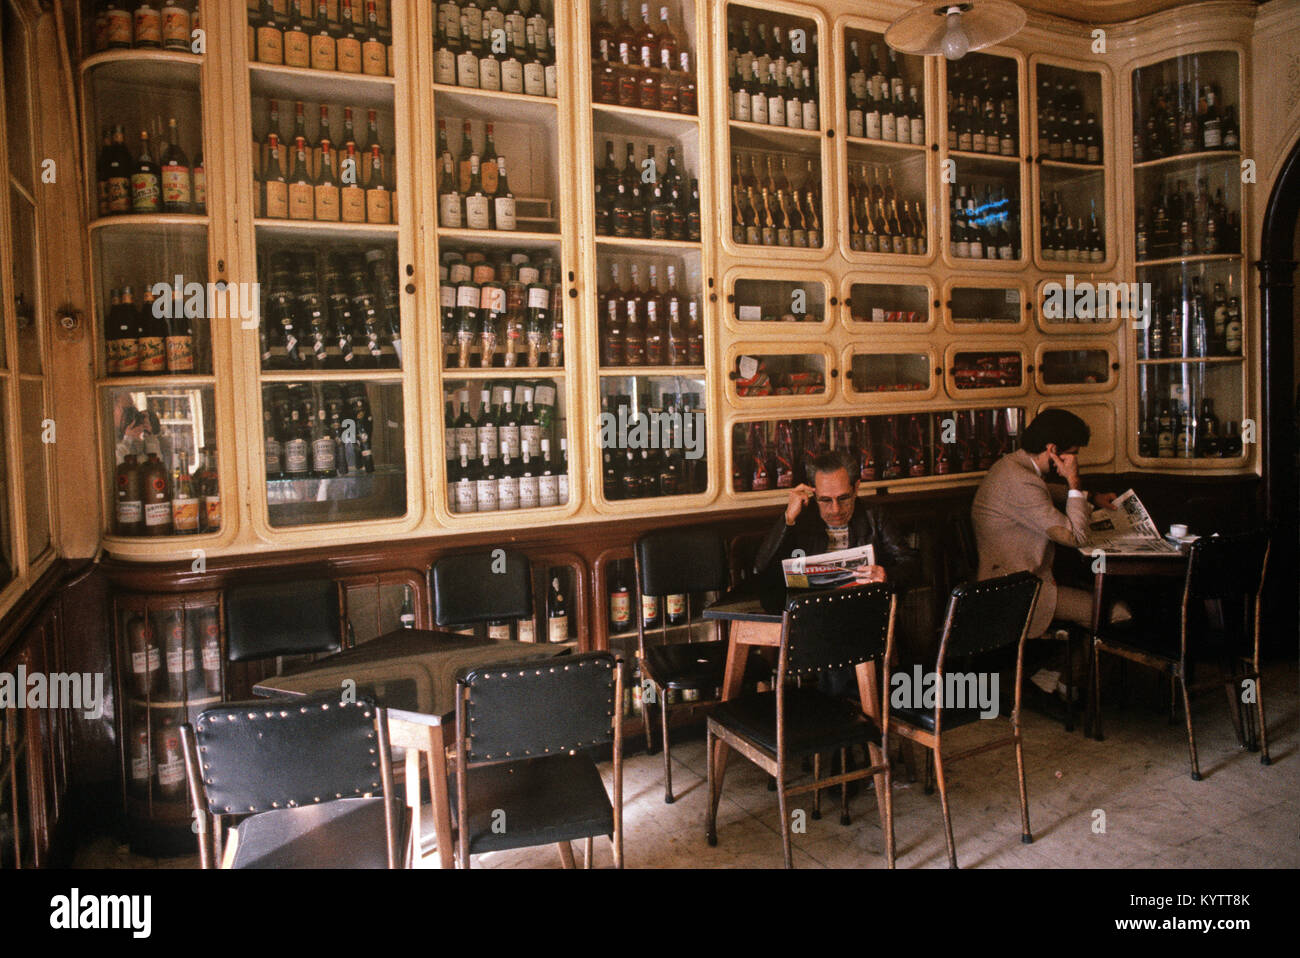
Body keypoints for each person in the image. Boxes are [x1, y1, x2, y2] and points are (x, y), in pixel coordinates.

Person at [971, 408, 1128, 697]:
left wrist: (1090, 497)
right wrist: (1074, 482)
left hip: (1010, 580)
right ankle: (1067, 681)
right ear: (1053, 450)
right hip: (1017, 593)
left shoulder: (1011, 465)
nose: (1075, 461)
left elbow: (1042, 490)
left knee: (1097, 603)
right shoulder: (1022, 481)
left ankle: (1050, 676)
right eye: (1073, 454)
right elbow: (1076, 536)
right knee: (1116, 614)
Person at [754, 448, 920, 593]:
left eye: (843, 498)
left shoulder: (874, 516)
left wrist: (886, 575)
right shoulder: (802, 518)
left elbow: (911, 566)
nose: (835, 509)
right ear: (813, 492)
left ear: (855, 488)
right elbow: (762, 569)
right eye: (825, 500)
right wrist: (787, 519)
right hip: (812, 613)